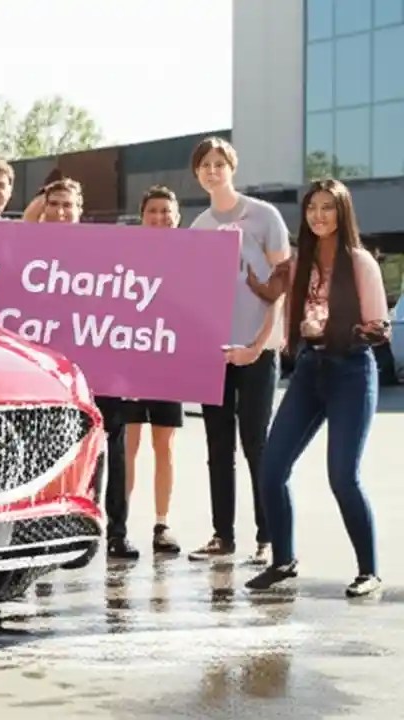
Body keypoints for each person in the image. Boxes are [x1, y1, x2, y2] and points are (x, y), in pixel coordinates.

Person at [245, 179, 387, 597]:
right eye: (312, 208)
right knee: (272, 469)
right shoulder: (298, 263)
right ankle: (283, 561)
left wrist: (330, 329)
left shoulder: (360, 262)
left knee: (342, 476)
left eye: (327, 207)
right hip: (310, 371)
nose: (318, 215)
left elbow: (379, 330)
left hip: (352, 371)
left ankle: (368, 571)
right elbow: (271, 296)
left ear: (342, 212)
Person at [185, 136, 292, 566]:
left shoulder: (265, 216)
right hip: (213, 353)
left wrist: (259, 344)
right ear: (197, 174)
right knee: (218, 446)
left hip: (257, 351)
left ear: (233, 167)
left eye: (219, 163)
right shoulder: (198, 228)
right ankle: (222, 536)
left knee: (256, 444)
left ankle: (268, 536)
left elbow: (281, 285)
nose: (212, 171)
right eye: (205, 165)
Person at [33, 178, 138, 560]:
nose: (61, 212)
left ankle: (116, 532)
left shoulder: (103, 249)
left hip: (103, 367)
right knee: (46, 449)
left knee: (113, 448)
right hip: (50, 371)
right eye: (54, 204)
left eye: (68, 205)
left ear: (80, 210)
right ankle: (46, 532)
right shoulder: (30, 250)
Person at [120, 186, 185, 555]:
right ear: (142, 216)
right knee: (128, 445)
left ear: (177, 216)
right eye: (153, 211)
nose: (159, 217)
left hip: (169, 364)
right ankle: (121, 525)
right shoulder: (128, 254)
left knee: (165, 445)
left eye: (166, 211)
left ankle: (162, 523)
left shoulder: (191, 255)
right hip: (132, 362)